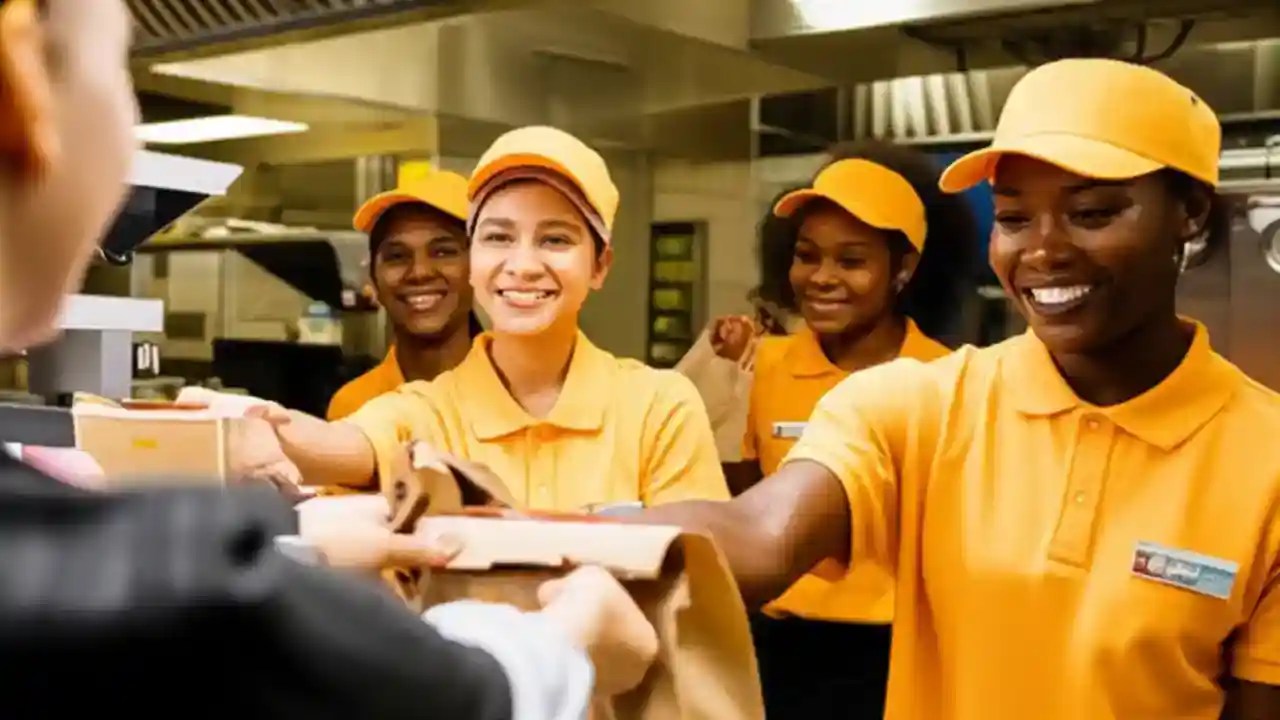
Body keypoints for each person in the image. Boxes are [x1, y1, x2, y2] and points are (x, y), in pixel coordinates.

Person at [0, 1, 658, 716]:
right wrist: (566, 641)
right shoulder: (406, 411)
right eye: (118, 68)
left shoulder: (653, 401)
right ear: (26, 98)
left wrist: (299, 536)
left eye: (553, 239)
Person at [633, 58, 1280, 719]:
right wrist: (571, 541)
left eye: (1090, 213)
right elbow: (760, 533)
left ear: (1190, 211)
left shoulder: (1266, 460)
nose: (1042, 251)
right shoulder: (914, 407)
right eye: (1014, 218)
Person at [254, 126, 730, 512]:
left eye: (555, 239)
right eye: (498, 238)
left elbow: (695, 567)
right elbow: (345, 444)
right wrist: (242, 426)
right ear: (474, 261)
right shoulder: (425, 411)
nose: (522, 265)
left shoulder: (658, 409)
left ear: (600, 265)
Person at [733, 143, 977, 720]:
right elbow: (738, 501)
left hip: (894, 652)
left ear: (903, 270)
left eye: (851, 260)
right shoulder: (760, 367)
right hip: (775, 649)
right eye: (807, 256)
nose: (822, 278)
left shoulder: (950, 380)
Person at [328, 170, 483, 421]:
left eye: (443, 252)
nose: (419, 272)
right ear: (373, 279)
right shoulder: (355, 406)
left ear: (481, 267)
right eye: (397, 256)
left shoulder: (523, 390)